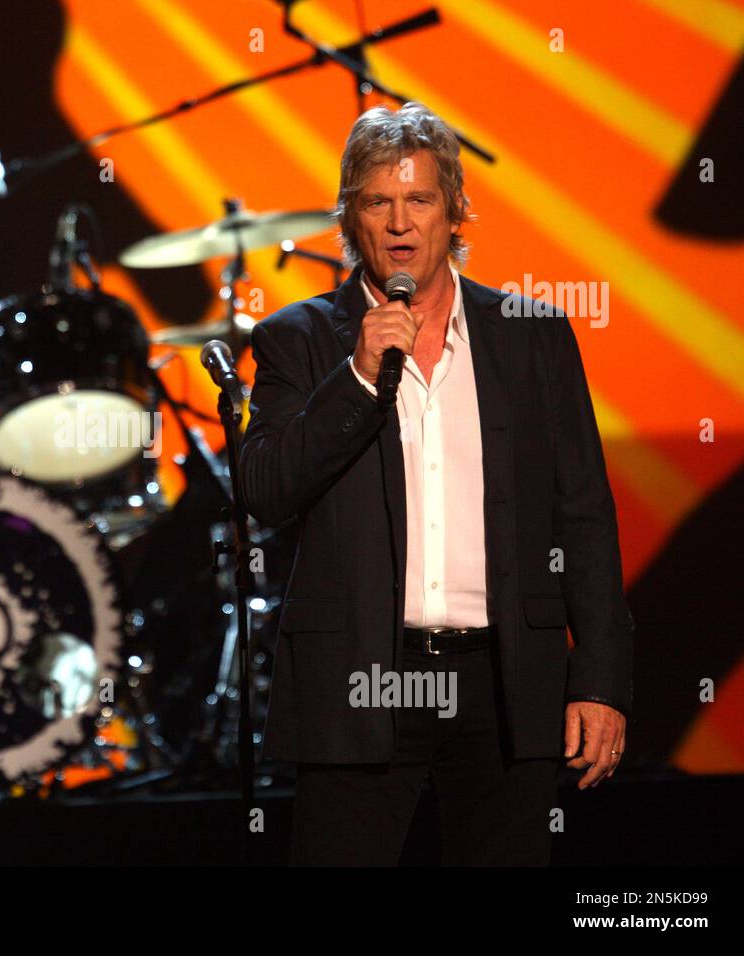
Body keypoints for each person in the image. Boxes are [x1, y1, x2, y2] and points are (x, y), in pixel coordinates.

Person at [240, 102, 634, 865]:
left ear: (454, 212)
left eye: (419, 199)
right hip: (362, 679)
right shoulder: (299, 339)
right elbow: (265, 488)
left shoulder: (532, 333)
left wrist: (601, 680)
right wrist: (356, 377)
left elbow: (583, 514)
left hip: (503, 683)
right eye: (377, 202)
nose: (399, 223)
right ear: (350, 217)